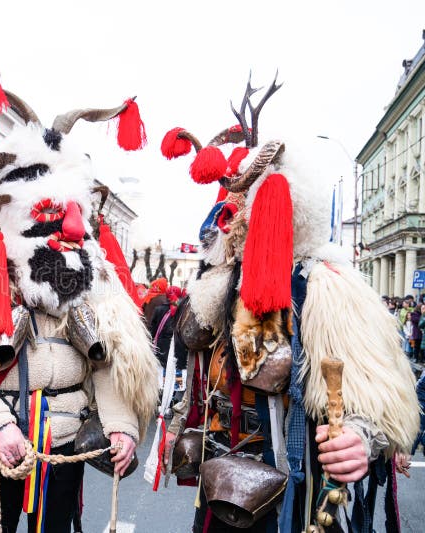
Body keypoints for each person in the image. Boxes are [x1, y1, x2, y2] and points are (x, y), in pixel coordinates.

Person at [159, 79, 419, 532]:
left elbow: (374, 394)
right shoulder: (217, 285)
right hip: (221, 479)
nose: (231, 219)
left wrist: (359, 437)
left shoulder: (326, 288)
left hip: (294, 487)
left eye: (242, 207)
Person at [0, 80, 157, 532]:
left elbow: (109, 364)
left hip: (68, 442)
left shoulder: (95, 277)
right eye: (51, 210)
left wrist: (119, 426)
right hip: (5, 442)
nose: (67, 226)